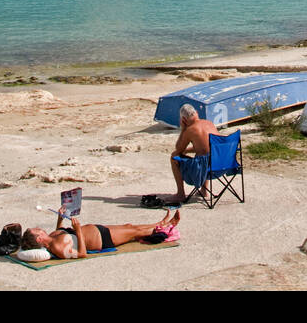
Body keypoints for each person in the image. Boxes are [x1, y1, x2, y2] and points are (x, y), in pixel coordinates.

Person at [21, 206, 180, 259]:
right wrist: (77, 230)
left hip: (98, 230)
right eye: (36, 231)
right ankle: (166, 225)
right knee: (134, 232)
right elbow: (82, 253)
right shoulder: (56, 247)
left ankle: (160, 223)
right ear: (39, 239)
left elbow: (60, 231)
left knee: (130, 226)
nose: (39, 228)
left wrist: (60, 217)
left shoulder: (52, 236)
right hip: (102, 240)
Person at [165, 103, 216, 204]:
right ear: (196, 113)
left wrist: (183, 129)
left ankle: (180, 194)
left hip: (203, 169)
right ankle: (204, 190)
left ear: (184, 119)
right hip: (220, 164)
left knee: (174, 157)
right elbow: (204, 147)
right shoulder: (209, 123)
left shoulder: (190, 130)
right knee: (204, 155)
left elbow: (178, 149)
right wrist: (187, 150)